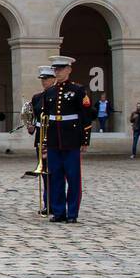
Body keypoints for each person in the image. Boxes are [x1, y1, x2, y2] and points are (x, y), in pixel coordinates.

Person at [42, 55, 95, 223]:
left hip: (71, 138)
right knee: (55, 176)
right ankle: (58, 211)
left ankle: (72, 213)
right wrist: (44, 142)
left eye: (61, 69)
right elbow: (46, 119)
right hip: (53, 139)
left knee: (73, 177)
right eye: (55, 69)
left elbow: (86, 115)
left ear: (69, 70)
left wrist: (85, 139)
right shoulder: (50, 92)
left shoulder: (78, 90)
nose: (57, 72)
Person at [27, 66, 56, 215]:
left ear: (54, 79)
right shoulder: (37, 97)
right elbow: (34, 117)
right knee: (44, 172)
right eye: (42, 79)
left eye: (47, 79)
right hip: (40, 137)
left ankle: (56, 203)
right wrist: (31, 127)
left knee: (56, 172)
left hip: (54, 136)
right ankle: (47, 203)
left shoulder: (58, 95)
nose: (44, 82)